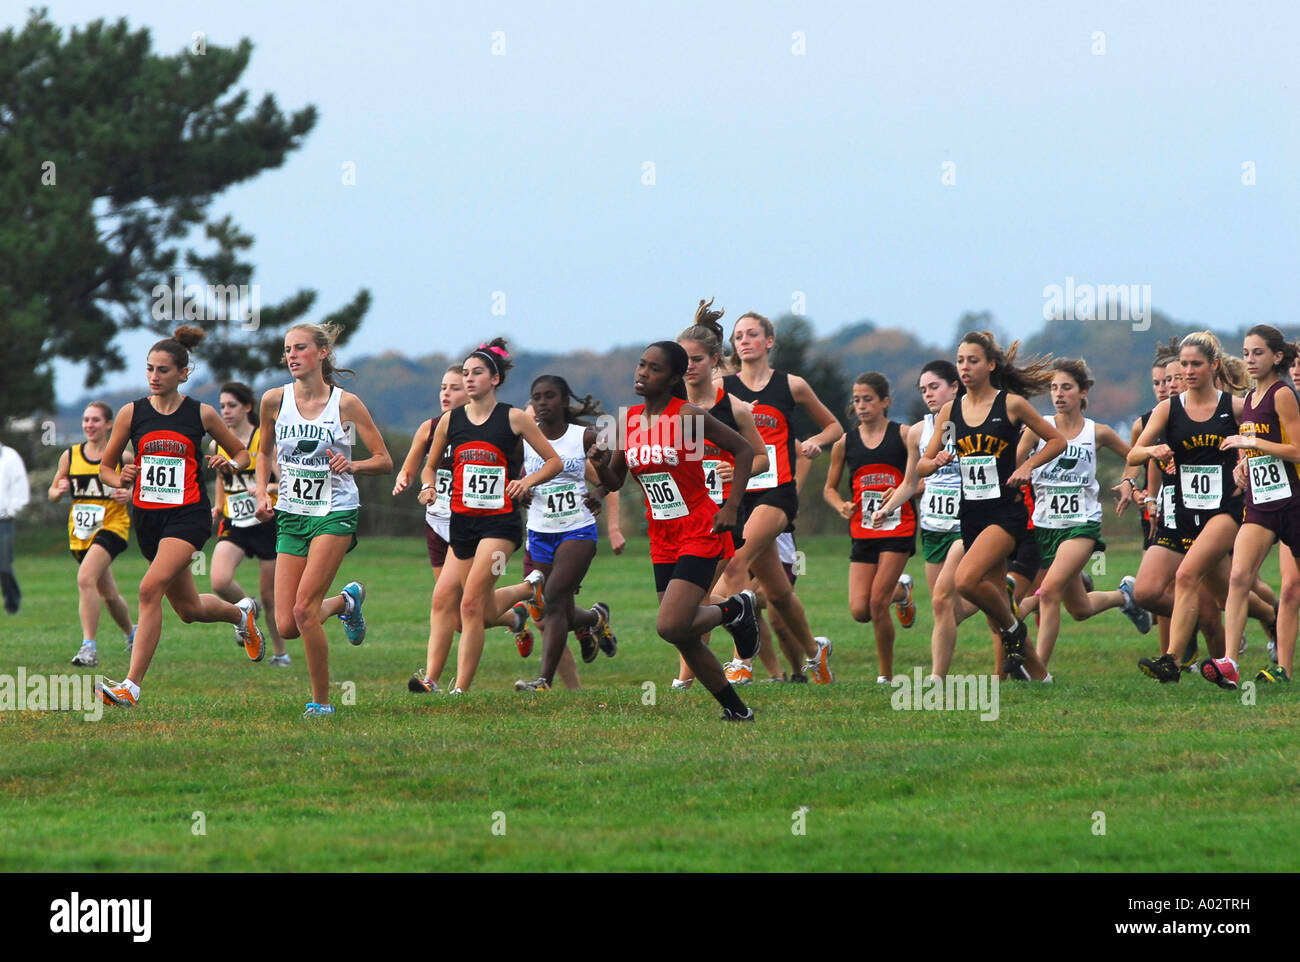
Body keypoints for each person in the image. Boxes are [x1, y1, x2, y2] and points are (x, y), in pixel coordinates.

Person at [589, 339, 761, 721]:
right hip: (662, 535)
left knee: (670, 625)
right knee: (682, 633)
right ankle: (737, 711)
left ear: (672, 378)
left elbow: (744, 451)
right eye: (641, 365)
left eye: (653, 368)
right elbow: (616, 479)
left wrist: (731, 507)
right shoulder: (628, 420)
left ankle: (736, 608)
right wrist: (601, 466)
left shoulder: (686, 416)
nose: (642, 373)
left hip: (701, 526)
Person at [96, 326, 267, 708]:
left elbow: (243, 454)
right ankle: (242, 614)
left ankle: (130, 687)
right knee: (188, 610)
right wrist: (119, 477)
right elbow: (106, 468)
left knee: (147, 589)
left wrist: (228, 461)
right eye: (149, 369)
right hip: (148, 520)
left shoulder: (201, 414)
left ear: (183, 373)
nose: (154, 377)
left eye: (162, 370)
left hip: (188, 518)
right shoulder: (131, 413)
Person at [256, 322, 393, 716]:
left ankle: (321, 703)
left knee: (303, 611)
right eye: (287, 349)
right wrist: (263, 490)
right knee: (286, 625)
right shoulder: (272, 401)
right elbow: (263, 453)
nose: (291, 356)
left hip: (335, 512)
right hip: (292, 514)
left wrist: (352, 465)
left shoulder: (345, 404)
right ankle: (346, 602)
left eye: (300, 348)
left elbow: (384, 461)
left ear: (322, 354)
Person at [417, 339, 563, 694]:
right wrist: (428, 487)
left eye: (477, 373)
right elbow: (430, 467)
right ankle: (527, 590)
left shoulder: (514, 418)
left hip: (501, 525)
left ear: (494, 379)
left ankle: (459, 690)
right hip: (462, 524)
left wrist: (525, 482)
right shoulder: (450, 421)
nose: (469, 379)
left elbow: (554, 461)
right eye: (465, 373)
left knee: (469, 604)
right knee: (456, 604)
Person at [919, 331, 1064, 681]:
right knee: (995, 604)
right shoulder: (951, 410)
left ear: (990, 365)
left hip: (1006, 512)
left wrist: (1027, 466)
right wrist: (936, 460)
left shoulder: (1010, 404)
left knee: (966, 581)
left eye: (972, 360)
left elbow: (1056, 440)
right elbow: (921, 466)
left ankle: (1014, 632)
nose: (965, 367)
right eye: (960, 361)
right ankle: (1040, 675)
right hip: (971, 513)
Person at [1131, 332, 1274, 683]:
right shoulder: (1168, 410)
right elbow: (1134, 453)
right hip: (1180, 512)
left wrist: (1247, 457)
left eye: (1196, 364)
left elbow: (1274, 437)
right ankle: (1265, 620)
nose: (1189, 371)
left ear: (1213, 366)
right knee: (1211, 594)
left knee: (1186, 576)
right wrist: (1152, 451)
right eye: (1184, 365)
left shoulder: (1235, 408)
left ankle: (1171, 660)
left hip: (1224, 512)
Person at [718, 311, 844, 684]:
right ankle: (814, 652)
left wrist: (813, 443)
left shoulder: (792, 385)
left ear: (769, 342)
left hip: (778, 492)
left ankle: (741, 660)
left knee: (735, 564)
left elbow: (834, 426)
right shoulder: (725, 388)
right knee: (778, 592)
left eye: (752, 334)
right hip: (741, 493)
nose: (744, 340)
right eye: (738, 335)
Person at [1014, 359, 1151, 667]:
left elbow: (1136, 455)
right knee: (1079, 609)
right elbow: (1012, 465)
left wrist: (1129, 481)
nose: (1058, 394)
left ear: (1083, 391)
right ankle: (1125, 596)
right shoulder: (1036, 430)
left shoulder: (1097, 433)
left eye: (1066, 387)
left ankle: (1038, 672)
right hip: (1045, 527)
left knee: (1048, 592)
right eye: (1053, 388)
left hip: (1081, 526)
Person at [671, 300, 770, 689]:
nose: (690, 366)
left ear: (715, 360)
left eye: (697, 359)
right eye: (684, 360)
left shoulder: (735, 407)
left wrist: (735, 472)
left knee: (713, 582)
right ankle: (734, 617)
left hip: (723, 512)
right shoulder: (671, 408)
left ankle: (720, 668)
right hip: (681, 515)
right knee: (690, 598)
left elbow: (761, 458)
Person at [1201, 326, 1300, 687]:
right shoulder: (1250, 396)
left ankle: (1284, 669)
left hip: (1293, 500)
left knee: (1292, 589)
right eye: (1246, 353)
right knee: (1239, 577)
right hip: (1261, 503)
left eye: (1257, 353)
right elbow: (1254, 444)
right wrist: (1246, 462)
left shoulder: (1282, 395)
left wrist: (1255, 440)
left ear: (1276, 357)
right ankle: (1229, 662)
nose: (1250, 360)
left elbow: (1297, 450)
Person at [512, 375, 618, 692]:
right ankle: (594, 620)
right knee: (545, 610)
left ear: (563, 401)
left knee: (556, 599)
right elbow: (517, 478)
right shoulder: (525, 440)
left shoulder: (585, 436)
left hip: (577, 530)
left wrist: (597, 493)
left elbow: (612, 479)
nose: (542, 403)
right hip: (539, 532)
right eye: (537, 397)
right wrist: (521, 493)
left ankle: (543, 681)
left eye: (549, 396)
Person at [825, 372, 916, 683]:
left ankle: (885, 676)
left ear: (885, 401)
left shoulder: (903, 436)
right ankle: (903, 591)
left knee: (878, 602)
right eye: (857, 400)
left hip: (898, 528)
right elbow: (830, 489)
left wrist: (901, 492)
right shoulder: (844, 444)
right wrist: (841, 505)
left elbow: (919, 480)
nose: (861, 406)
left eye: (868, 399)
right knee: (860, 610)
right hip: (863, 531)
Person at [49, 402, 136, 666]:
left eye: (95, 420)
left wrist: (128, 494)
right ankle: (133, 634)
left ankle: (89, 648)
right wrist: (60, 489)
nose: (89, 425)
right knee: (108, 593)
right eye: (86, 420)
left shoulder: (123, 457)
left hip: (113, 527)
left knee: (85, 578)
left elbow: (142, 492)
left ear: (109, 424)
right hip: (80, 534)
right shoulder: (71, 456)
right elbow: (52, 494)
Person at [209, 382, 288, 665]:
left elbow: (282, 482)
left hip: (265, 521)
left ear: (247, 407)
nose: (226, 412)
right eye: (222, 406)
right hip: (235, 522)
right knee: (219, 580)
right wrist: (219, 505)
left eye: (231, 405)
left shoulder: (262, 441)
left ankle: (280, 653)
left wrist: (266, 490)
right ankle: (245, 609)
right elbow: (222, 479)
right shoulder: (218, 443)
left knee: (270, 597)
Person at [0, 438, 29, 614]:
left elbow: (20, 488)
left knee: (3, 565)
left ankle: (12, 601)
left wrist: (10, 510)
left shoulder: (10, 457)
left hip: (3, 520)